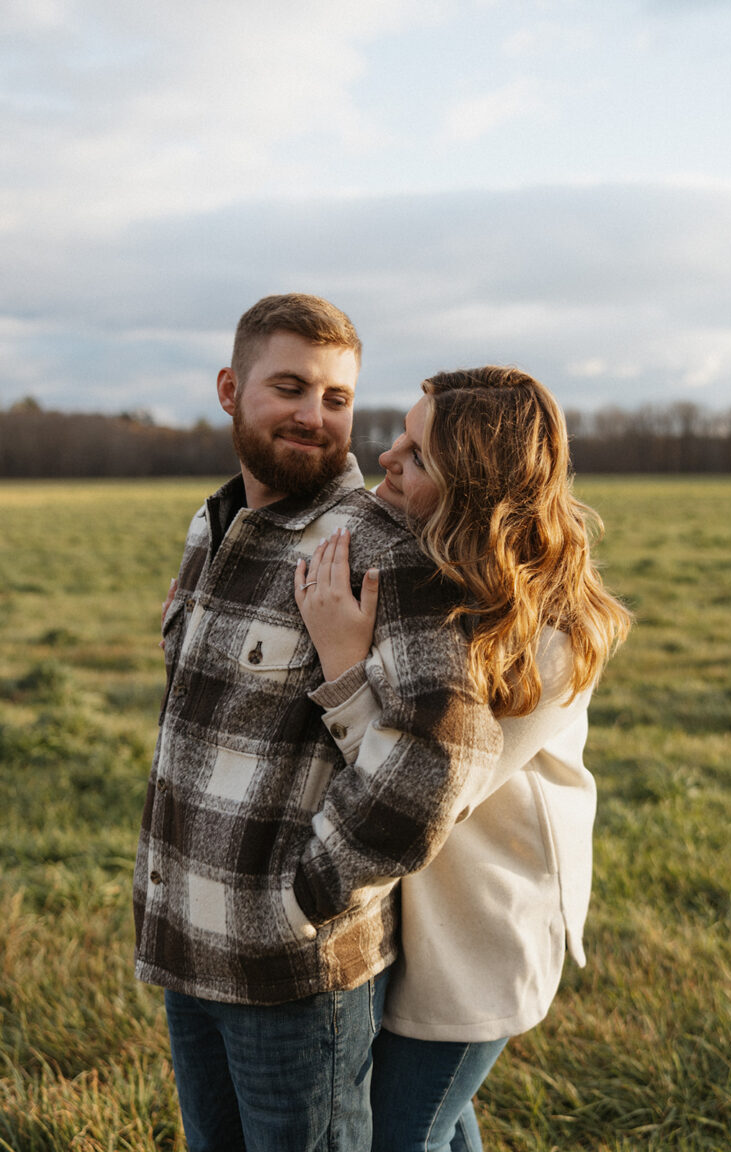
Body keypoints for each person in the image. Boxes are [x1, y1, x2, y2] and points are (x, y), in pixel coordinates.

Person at [133, 296, 504, 1152]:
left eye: (335, 398)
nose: (314, 415)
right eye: (290, 388)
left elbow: (446, 759)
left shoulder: (378, 549)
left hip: (293, 974)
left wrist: (310, 896)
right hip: (189, 951)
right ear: (231, 389)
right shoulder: (213, 526)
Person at [294, 366, 632, 1152]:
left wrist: (344, 664)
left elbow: (433, 786)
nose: (387, 456)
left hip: (481, 932)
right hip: (415, 917)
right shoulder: (432, 576)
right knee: (441, 1127)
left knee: (401, 1136)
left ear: (473, 486)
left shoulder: (553, 634)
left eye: (416, 452)